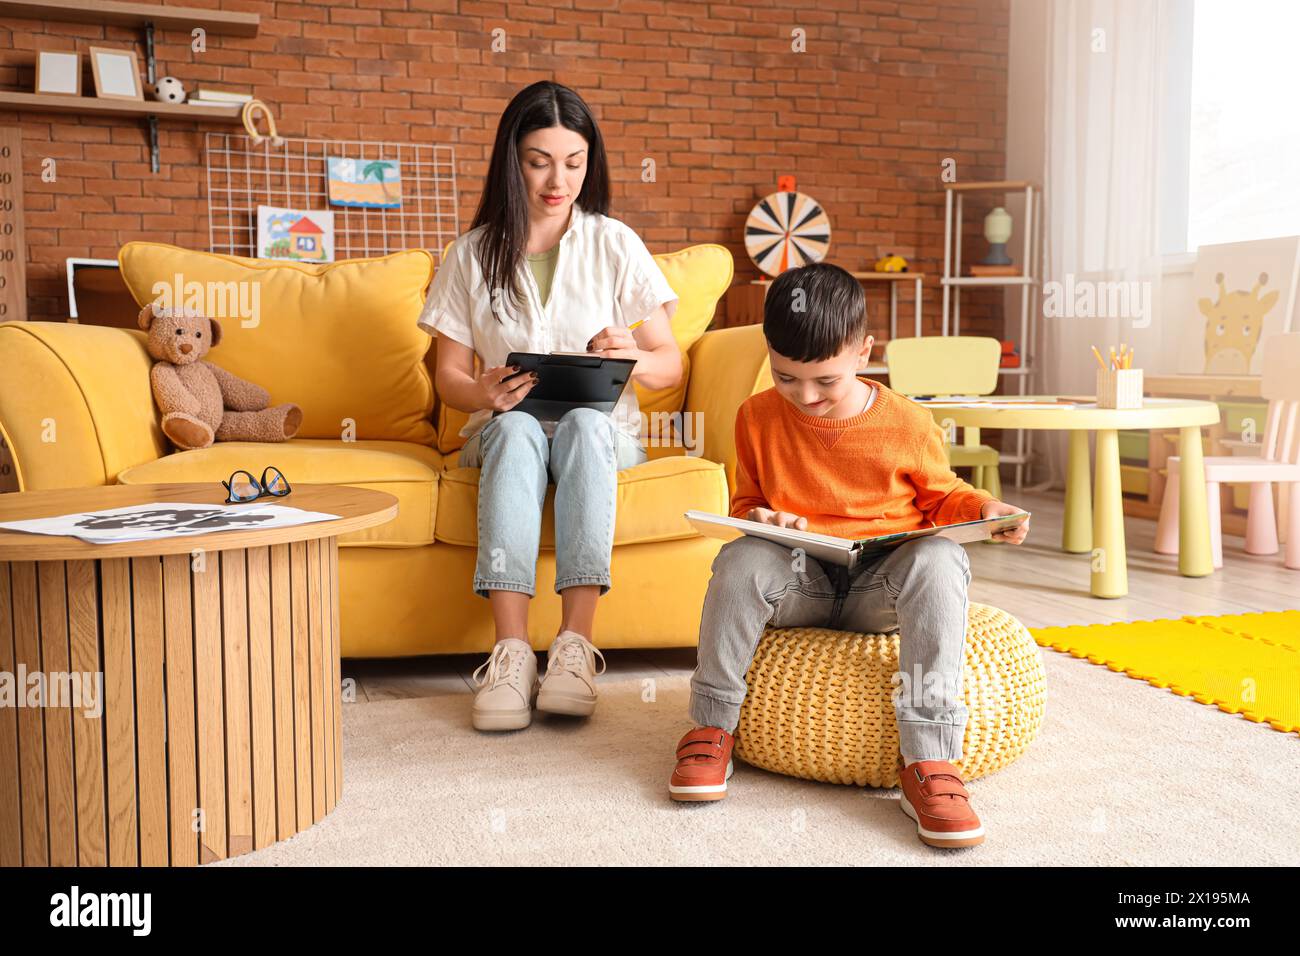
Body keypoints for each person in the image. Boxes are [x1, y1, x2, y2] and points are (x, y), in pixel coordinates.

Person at [666, 262, 1030, 848]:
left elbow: (946, 497)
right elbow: (748, 500)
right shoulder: (756, 416)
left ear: (864, 351)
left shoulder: (908, 421)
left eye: (825, 382)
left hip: (878, 591)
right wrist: (760, 518)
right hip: (800, 580)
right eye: (787, 379)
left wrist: (984, 510)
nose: (805, 398)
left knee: (939, 560)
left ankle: (930, 760)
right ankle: (711, 728)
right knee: (738, 561)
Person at [418, 81, 681, 732]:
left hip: (600, 433)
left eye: (574, 162)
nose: (557, 180)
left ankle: (572, 650)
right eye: (539, 161)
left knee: (587, 424)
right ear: (513, 159)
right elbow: (447, 375)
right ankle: (509, 653)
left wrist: (631, 357)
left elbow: (670, 362)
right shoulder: (471, 253)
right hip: (504, 428)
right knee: (514, 431)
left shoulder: (615, 243)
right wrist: (482, 391)